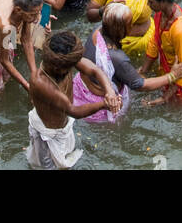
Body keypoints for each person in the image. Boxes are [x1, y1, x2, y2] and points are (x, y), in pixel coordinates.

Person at [26, 31, 122, 169]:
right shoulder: (40, 82)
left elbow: (95, 70)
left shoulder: (63, 62)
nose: (73, 67)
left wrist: (110, 92)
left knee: (65, 159)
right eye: (69, 67)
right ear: (58, 67)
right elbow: (73, 110)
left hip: (64, 126)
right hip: (47, 135)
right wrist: (103, 104)